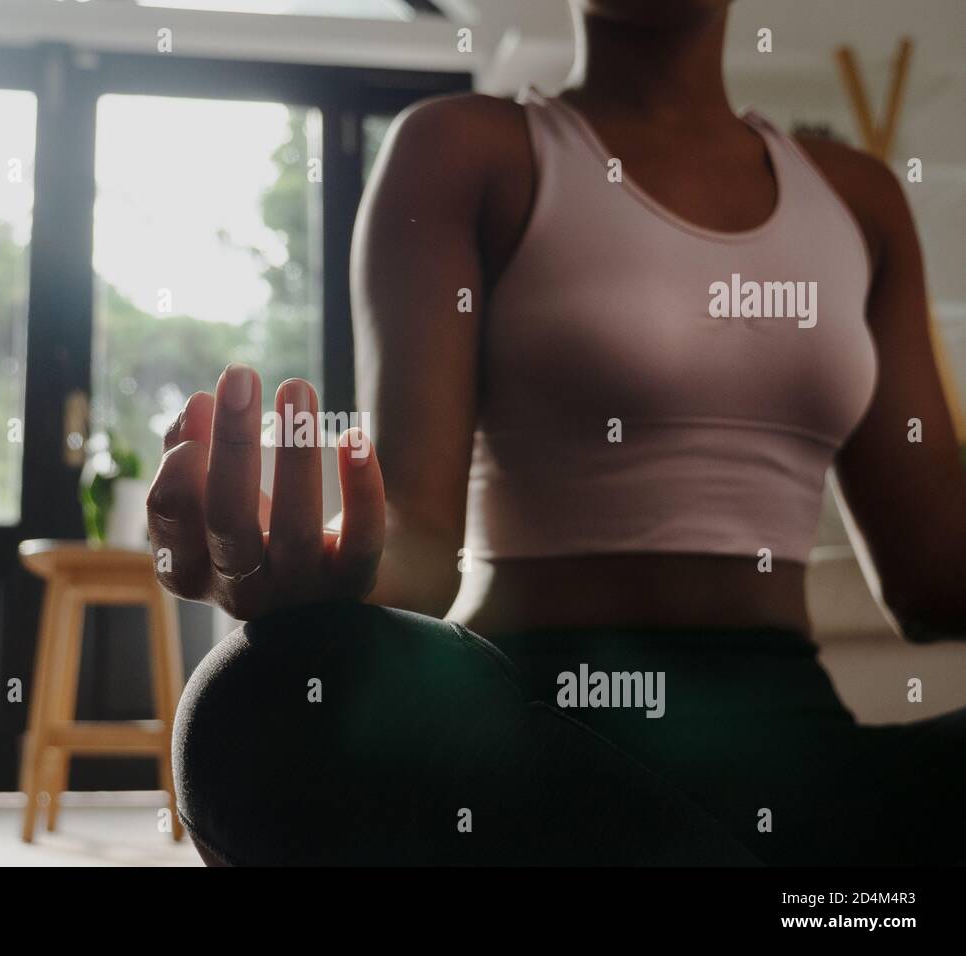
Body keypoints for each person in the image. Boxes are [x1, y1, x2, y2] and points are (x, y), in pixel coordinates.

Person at [147, 0, 966, 865]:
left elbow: (935, 582)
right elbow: (422, 545)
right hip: (543, 763)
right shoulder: (462, 149)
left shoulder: (857, 196)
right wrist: (314, 578)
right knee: (256, 700)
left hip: (810, 764)